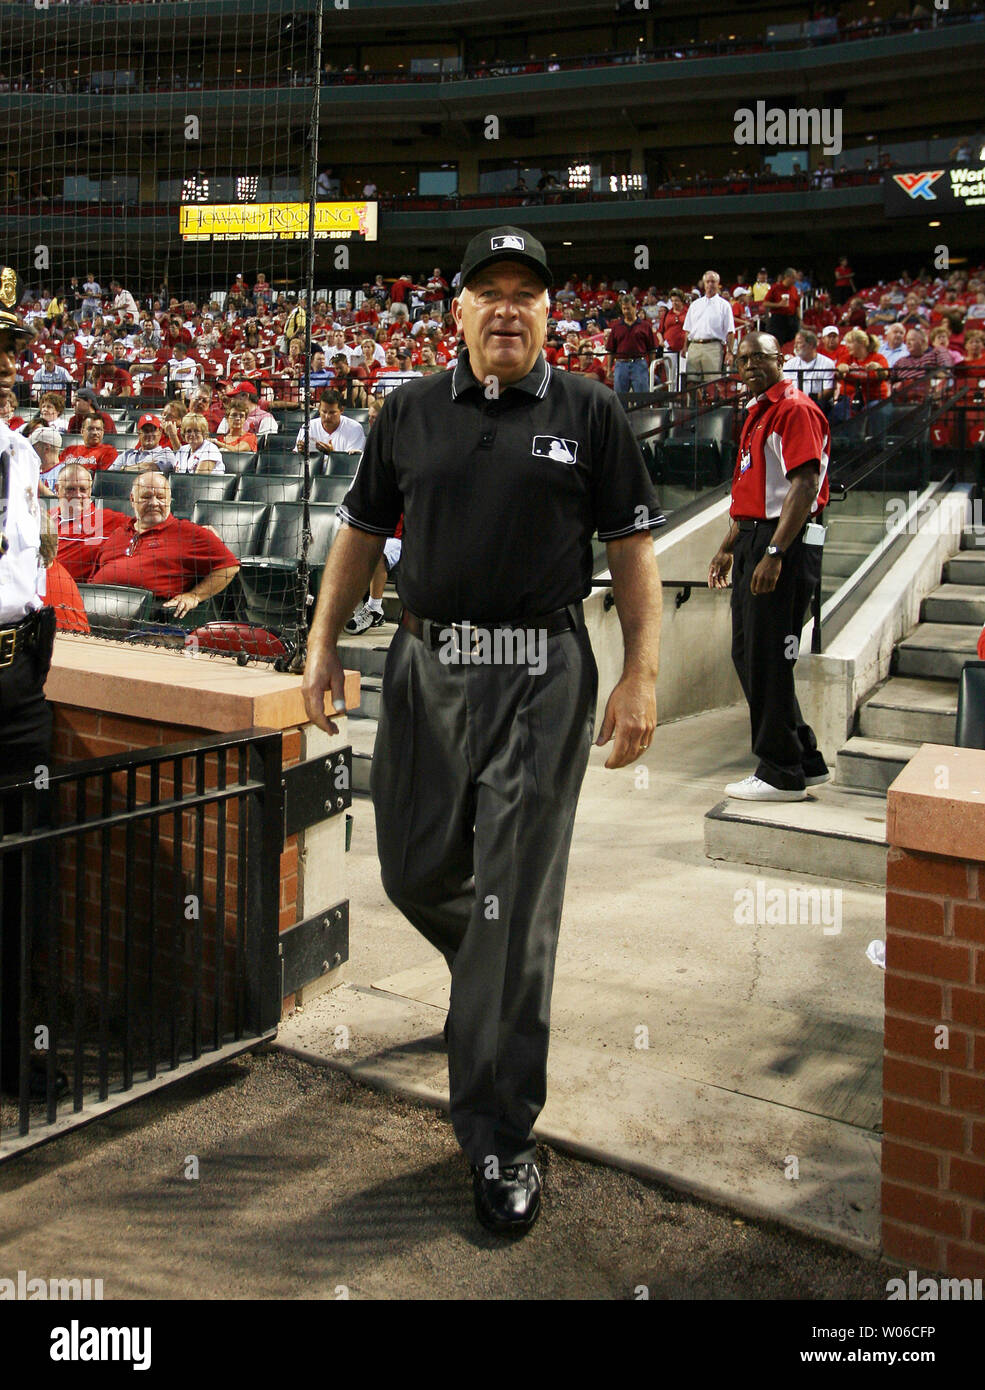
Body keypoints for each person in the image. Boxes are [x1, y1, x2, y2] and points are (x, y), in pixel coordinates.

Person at [301, 225, 664, 1237]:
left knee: (507, 895)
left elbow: (633, 553)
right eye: (486, 291)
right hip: (425, 665)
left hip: (541, 671)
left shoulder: (589, 412)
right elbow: (361, 535)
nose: (507, 307)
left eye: (526, 293)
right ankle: (489, 988)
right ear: (455, 310)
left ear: (550, 313)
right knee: (414, 871)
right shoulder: (407, 410)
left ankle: (501, 1133)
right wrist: (323, 642)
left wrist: (639, 674)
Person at [708, 331, 830, 802]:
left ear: (781, 359)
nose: (750, 364)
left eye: (760, 356)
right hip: (755, 536)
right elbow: (755, 493)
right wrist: (727, 545)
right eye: (742, 359)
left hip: (782, 541)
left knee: (765, 656)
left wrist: (775, 553)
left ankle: (780, 773)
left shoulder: (793, 409)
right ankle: (803, 757)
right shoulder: (758, 411)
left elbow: (803, 485)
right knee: (752, 654)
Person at [0, 264, 62, 1101]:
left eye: (8, 344)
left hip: (16, 684)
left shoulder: (19, 454)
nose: (7, 360)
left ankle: (15, 1050)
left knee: (24, 873)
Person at [89, 469, 239, 620]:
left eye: (161, 497)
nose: (154, 503)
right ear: (132, 499)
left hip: (149, 616)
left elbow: (230, 567)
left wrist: (195, 596)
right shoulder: (119, 532)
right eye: (146, 497)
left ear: (169, 500)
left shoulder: (189, 533)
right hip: (97, 607)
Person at [52, 462, 130, 581]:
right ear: (57, 489)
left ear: (90, 491)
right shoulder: (44, 518)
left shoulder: (110, 520)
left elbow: (146, 525)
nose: (78, 495)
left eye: (83, 489)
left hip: (76, 590)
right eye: (71, 489)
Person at [682, 271, 735, 383]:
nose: (710, 284)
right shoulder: (695, 305)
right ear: (704, 284)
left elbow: (730, 331)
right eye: (708, 281)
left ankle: (712, 401)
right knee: (691, 381)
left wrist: (730, 352)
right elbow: (687, 329)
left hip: (713, 347)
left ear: (718, 284)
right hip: (694, 346)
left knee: (711, 383)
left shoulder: (724, 305)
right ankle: (694, 401)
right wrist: (685, 347)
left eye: (713, 281)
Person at [604, 295, 656, 395]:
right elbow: (610, 350)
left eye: (628, 308)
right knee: (620, 399)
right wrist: (609, 369)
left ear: (635, 307)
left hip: (639, 365)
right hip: (620, 365)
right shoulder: (616, 327)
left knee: (642, 398)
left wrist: (651, 367)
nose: (626, 311)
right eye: (624, 309)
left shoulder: (645, 326)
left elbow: (652, 349)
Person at [294, 391, 365, 455]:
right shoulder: (308, 426)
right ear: (319, 409)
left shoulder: (354, 428)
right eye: (324, 412)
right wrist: (301, 452)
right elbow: (297, 456)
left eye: (332, 412)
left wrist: (332, 454)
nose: (327, 416)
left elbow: (352, 463)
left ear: (341, 410)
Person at [112, 414, 178, 474]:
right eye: (145, 431)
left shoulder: (166, 453)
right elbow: (111, 473)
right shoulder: (127, 455)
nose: (149, 434)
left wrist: (123, 469)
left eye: (153, 430)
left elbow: (149, 467)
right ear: (139, 434)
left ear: (160, 432)